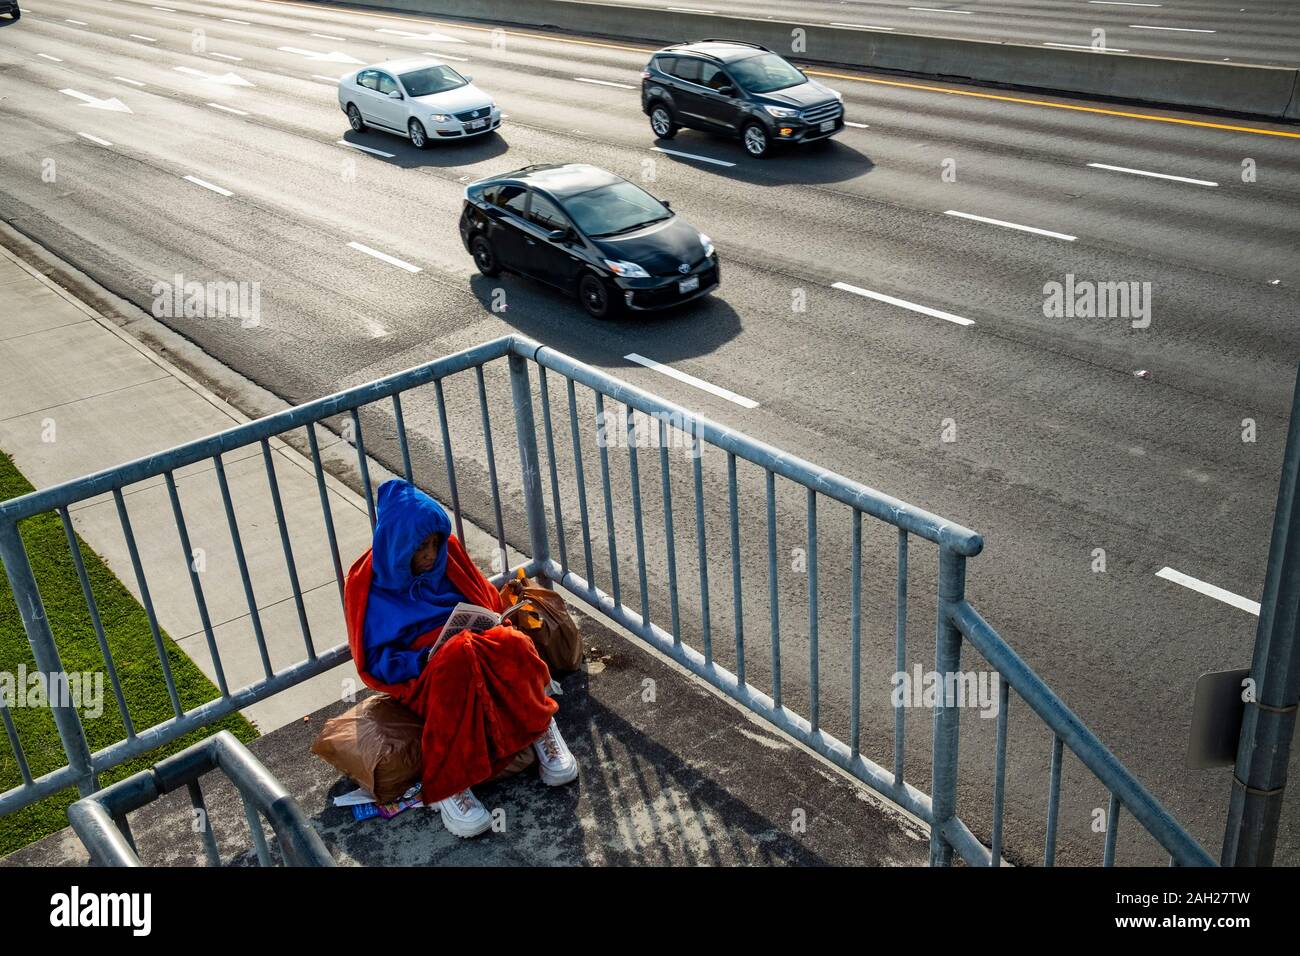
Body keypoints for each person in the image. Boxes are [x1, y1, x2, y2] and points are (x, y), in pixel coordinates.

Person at [343, 478, 578, 838]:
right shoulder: (367, 583)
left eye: (436, 544)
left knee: (511, 643)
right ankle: (450, 785)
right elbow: (376, 663)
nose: (431, 556)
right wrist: (421, 658)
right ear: (399, 547)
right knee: (459, 657)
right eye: (421, 547)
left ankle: (542, 726)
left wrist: (487, 626)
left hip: (474, 647)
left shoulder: (447, 554)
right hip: (423, 674)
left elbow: (486, 600)